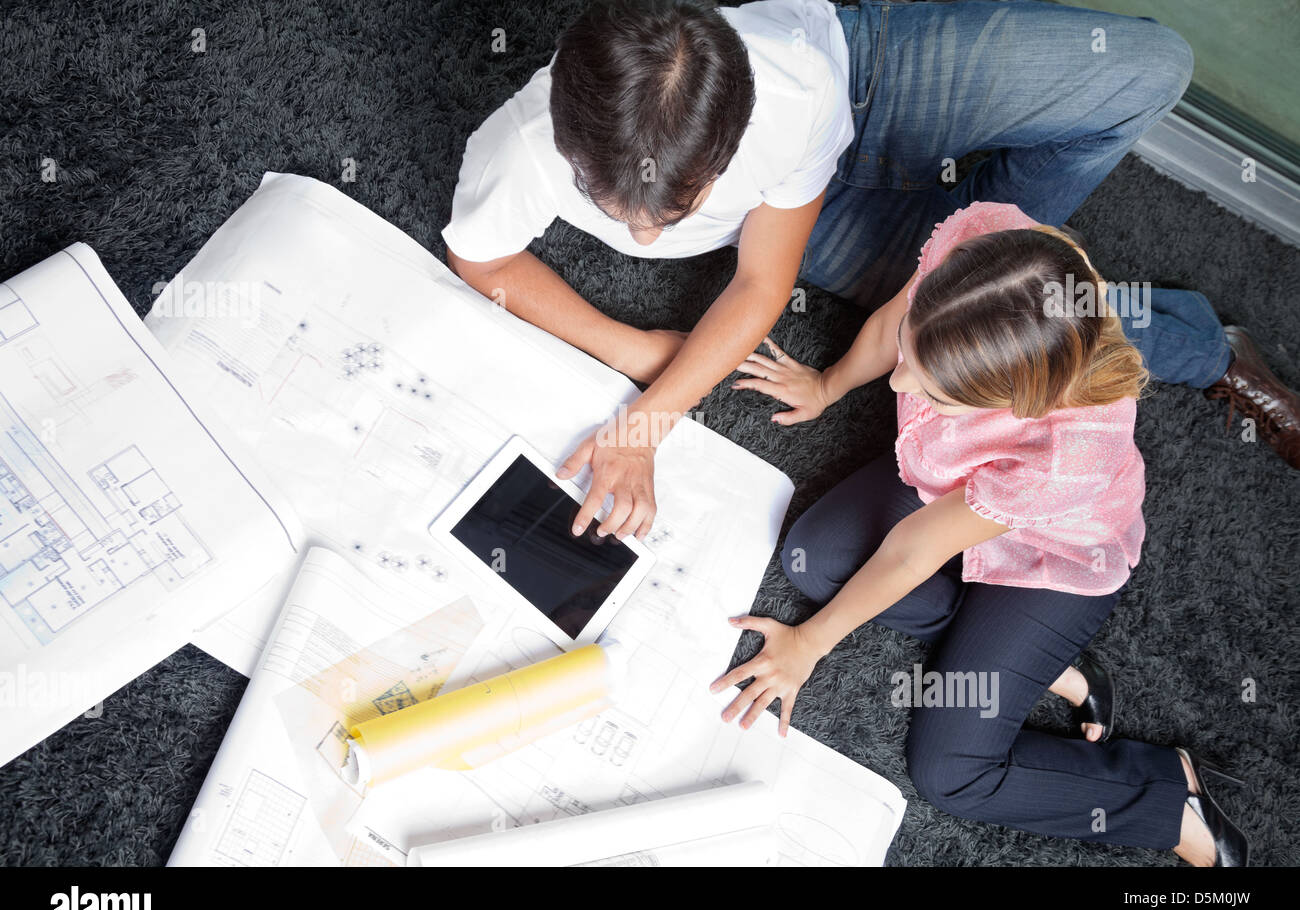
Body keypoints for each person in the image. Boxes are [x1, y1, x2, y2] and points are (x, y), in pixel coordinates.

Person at [441, 0, 1300, 546]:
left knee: (1151, 69)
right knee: (997, 320)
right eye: (617, 210)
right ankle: (1191, 341)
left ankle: (995, 246)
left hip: (867, 77)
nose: (643, 230)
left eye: (677, 205)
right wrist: (633, 347)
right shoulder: (519, 146)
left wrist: (645, 424)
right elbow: (479, 258)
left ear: (734, 138)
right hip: (804, 223)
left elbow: (759, 284)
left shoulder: (789, 84)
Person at [710, 201, 1249, 866]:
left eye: (935, 393)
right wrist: (829, 383)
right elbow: (893, 324)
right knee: (809, 559)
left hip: (1051, 556)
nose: (901, 382)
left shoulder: (1071, 450)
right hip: (947, 484)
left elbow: (916, 548)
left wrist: (809, 643)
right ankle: (1041, 665)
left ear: (1015, 404)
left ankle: (1170, 797)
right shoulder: (984, 245)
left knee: (954, 774)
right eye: (912, 354)